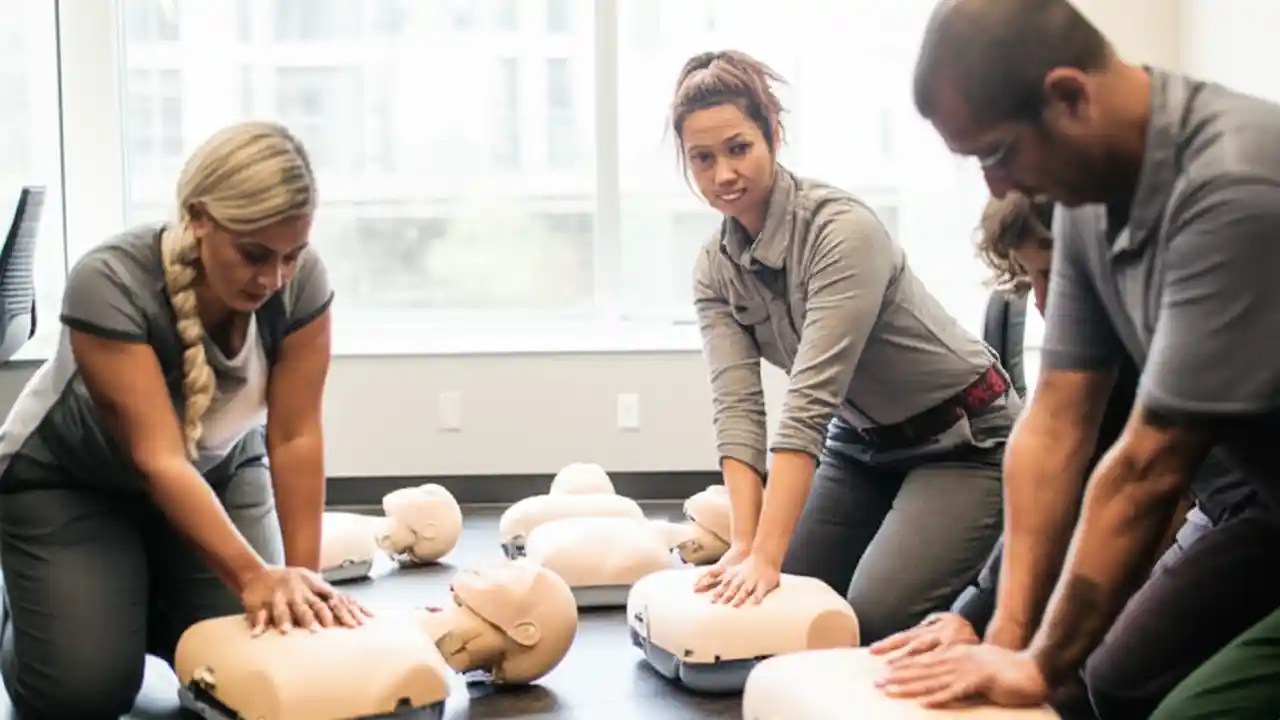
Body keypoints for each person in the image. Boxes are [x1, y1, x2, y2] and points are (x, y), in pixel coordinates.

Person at [877, 0, 1280, 717]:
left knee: (1180, 705)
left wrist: (1036, 667)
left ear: (1068, 95)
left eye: (995, 153)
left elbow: (1147, 470)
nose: (998, 189)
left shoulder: (1233, 188)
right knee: (1117, 677)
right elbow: (1057, 425)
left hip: (1248, 501)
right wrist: (999, 633)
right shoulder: (1090, 202)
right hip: (1260, 500)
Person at [0, 121, 370, 718]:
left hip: (218, 472)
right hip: (69, 486)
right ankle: (31, 600)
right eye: (254, 256)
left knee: (259, 657)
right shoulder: (109, 282)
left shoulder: (300, 284)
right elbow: (159, 458)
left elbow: (296, 435)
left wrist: (299, 584)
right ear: (199, 217)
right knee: (83, 694)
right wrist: (252, 576)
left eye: (290, 256)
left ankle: (129, 601)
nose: (273, 279)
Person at [672, 49, 1020, 644]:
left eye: (738, 148)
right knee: (792, 599)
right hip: (860, 447)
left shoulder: (841, 231)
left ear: (773, 136)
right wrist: (747, 549)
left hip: (965, 441)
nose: (723, 174)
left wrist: (766, 556)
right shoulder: (713, 269)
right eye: (702, 159)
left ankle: (1003, 592)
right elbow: (738, 410)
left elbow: (808, 401)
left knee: (869, 616)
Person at [873, 191, 1255, 718]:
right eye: (1033, 280)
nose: (1046, 303)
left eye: (1056, 276)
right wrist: (978, 614)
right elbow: (1061, 467)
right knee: (1093, 670)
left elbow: (1131, 483)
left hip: (1251, 507)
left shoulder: (1181, 285)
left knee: (1116, 677)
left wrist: (997, 629)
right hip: (1220, 508)